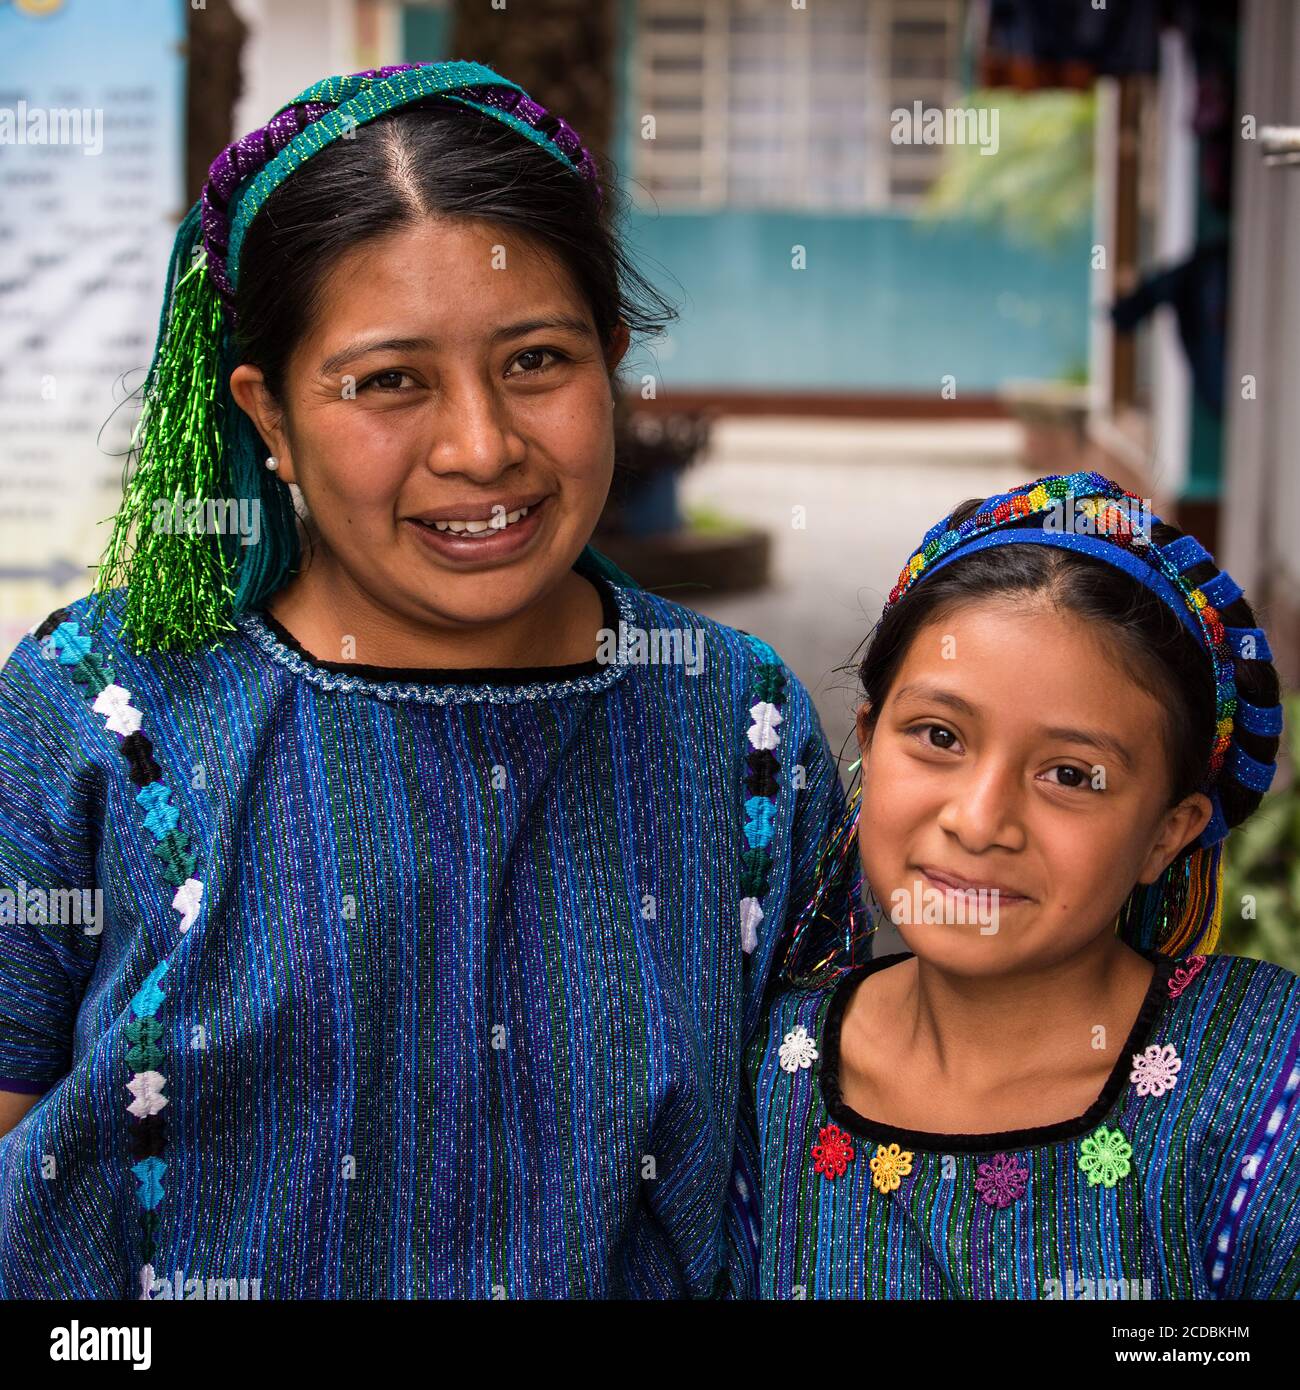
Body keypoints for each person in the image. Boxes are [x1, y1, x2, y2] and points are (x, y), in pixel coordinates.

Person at [0, 60, 847, 1299]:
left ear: (609, 358)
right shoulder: (99, 711)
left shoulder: (737, 724)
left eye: (538, 362)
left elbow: (818, 1169)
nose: (480, 446)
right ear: (269, 415)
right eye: (387, 381)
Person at [742, 471, 1300, 1299]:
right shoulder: (771, 1083)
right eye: (938, 735)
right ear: (867, 743)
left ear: (1166, 833)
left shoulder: (1263, 1087)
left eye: (1071, 775)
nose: (979, 819)